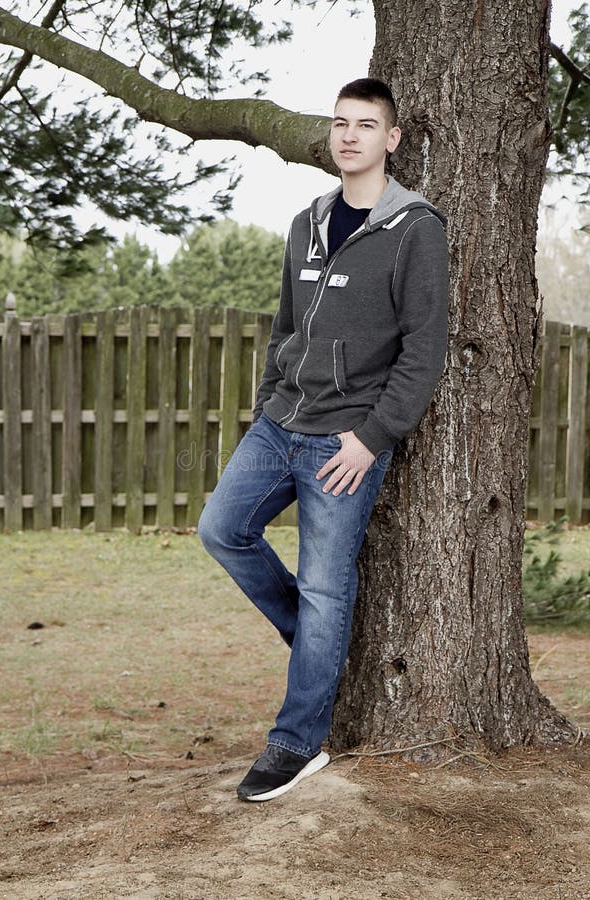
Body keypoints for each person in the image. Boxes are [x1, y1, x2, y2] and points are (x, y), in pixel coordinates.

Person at [197, 77, 449, 802]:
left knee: (327, 587)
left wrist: (372, 440)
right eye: (340, 123)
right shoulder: (308, 221)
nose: (349, 136)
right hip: (281, 426)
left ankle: (297, 742)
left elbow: (423, 351)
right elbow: (285, 328)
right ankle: (312, 638)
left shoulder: (415, 228)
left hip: (347, 442)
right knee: (221, 529)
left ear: (391, 140)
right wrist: (265, 405)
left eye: (366, 125)